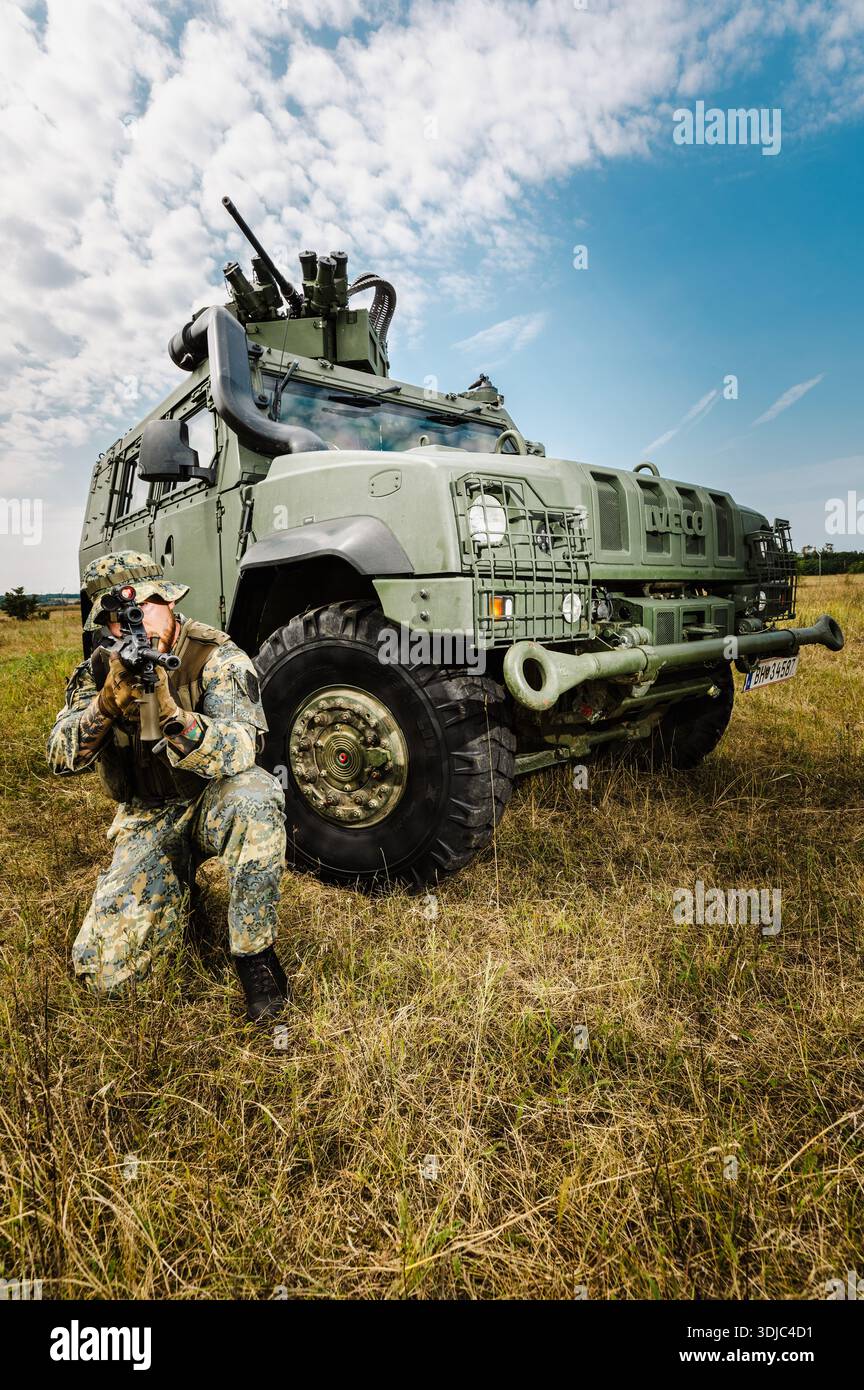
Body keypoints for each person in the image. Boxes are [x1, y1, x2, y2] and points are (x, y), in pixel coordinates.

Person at [47, 550, 289, 1023]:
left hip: (213, 798)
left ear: (168, 602)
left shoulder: (216, 656)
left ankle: (254, 956)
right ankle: (174, 887)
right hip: (148, 812)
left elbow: (241, 750)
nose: (127, 632)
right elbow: (59, 757)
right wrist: (105, 705)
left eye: (138, 614)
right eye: (113, 624)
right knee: (106, 976)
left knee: (258, 800)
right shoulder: (99, 669)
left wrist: (174, 717)